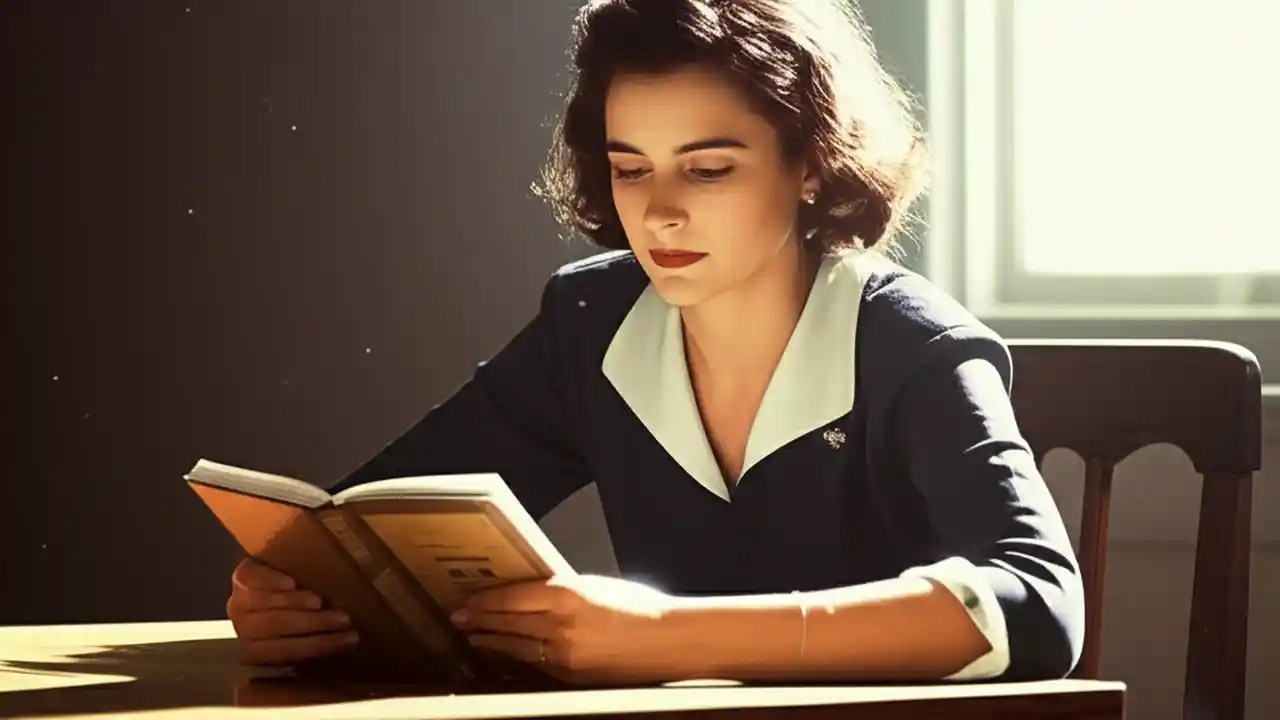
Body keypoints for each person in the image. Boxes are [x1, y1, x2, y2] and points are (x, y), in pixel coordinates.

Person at [226, 0, 1084, 685]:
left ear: (813, 162)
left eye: (708, 168)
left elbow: (1042, 605)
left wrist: (667, 636)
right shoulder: (592, 321)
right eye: (631, 167)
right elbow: (364, 523)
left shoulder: (914, 347)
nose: (659, 210)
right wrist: (296, 592)